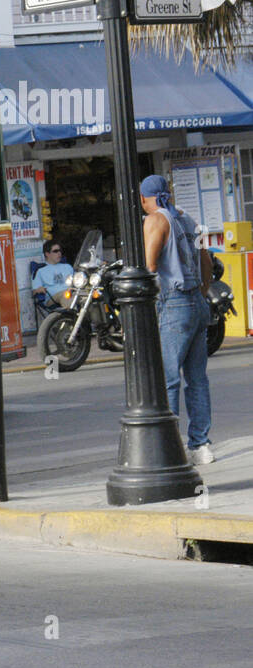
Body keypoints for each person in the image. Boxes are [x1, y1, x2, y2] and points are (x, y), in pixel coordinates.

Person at [141, 174, 214, 464]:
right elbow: (206, 260)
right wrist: (203, 291)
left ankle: (170, 448)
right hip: (197, 300)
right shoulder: (187, 218)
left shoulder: (155, 220)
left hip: (174, 303)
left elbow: (149, 266)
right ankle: (201, 446)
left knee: (168, 379)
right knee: (197, 380)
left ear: (145, 198)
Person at [30, 240, 73, 316]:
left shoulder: (67, 266)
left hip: (72, 293)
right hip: (53, 298)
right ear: (47, 254)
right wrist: (38, 290)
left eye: (60, 250)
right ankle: (72, 319)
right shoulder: (40, 270)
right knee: (65, 294)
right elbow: (34, 291)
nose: (59, 253)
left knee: (91, 294)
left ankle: (95, 325)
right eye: (55, 251)